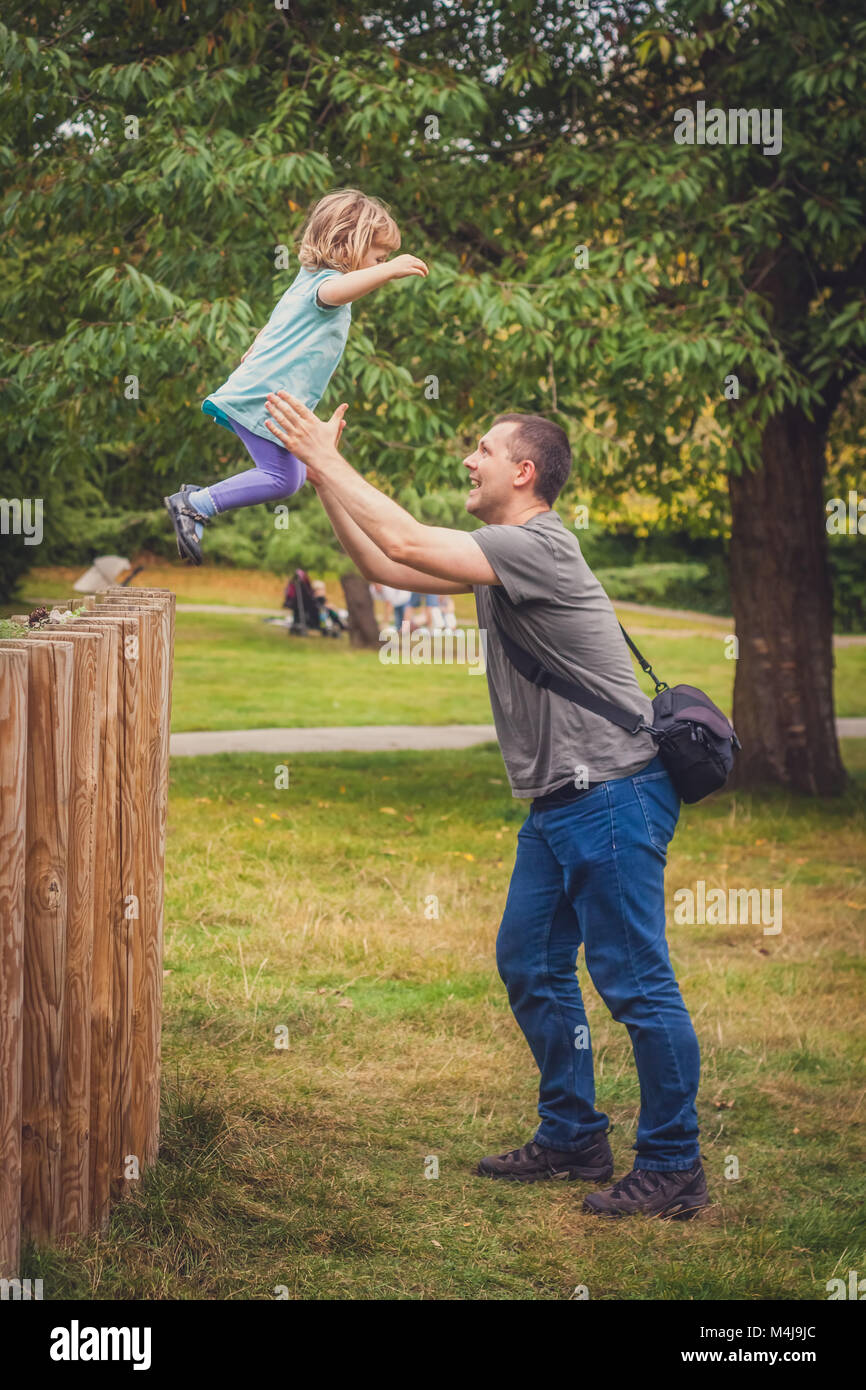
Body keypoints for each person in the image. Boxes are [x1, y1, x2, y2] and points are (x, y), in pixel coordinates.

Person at [263, 388, 708, 1222]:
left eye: (483, 450)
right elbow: (386, 565)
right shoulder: (499, 552)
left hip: (614, 791)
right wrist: (317, 478)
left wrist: (324, 454)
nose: (468, 459)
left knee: (637, 984)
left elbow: (400, 535)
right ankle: (574, 1134)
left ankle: (675, 1165)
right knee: (530, 961)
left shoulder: (539, 545)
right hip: (559, 802)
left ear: (524, 470)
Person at [163, 189, 428, 565]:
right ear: (348, 243)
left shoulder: (306, 280)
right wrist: (390, 270)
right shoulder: (326, 285)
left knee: (301, 472)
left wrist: (258, 346)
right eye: (377, 256)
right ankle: (195, 503)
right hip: (267, 395)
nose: (381, 264)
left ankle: (197, 504)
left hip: (268, 391)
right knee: (283, 479)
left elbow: (278, 319)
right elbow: (334, 292)